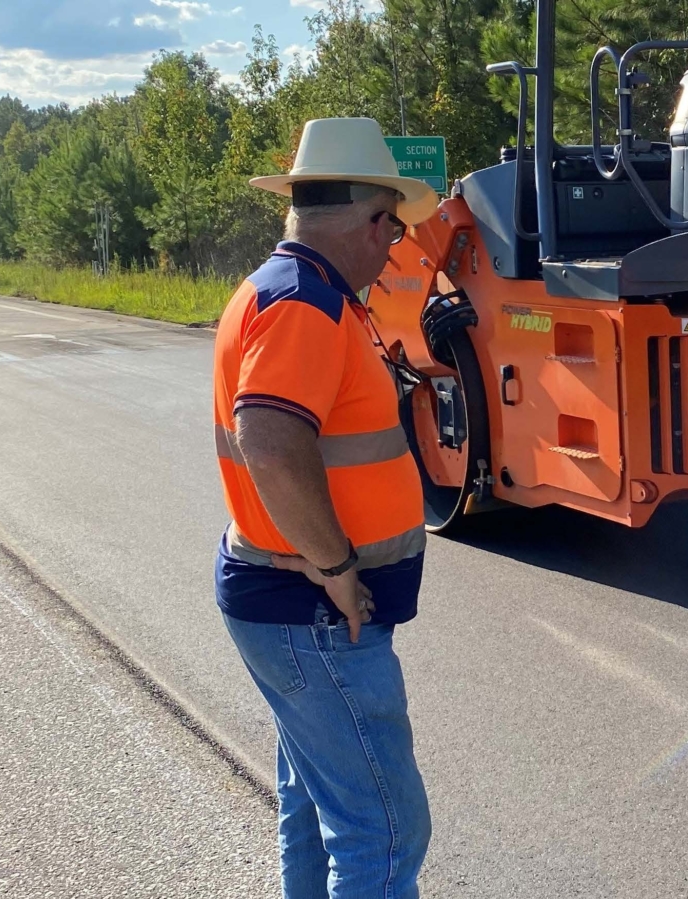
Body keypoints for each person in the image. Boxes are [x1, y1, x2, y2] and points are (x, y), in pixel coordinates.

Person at [212, 116, 449, 898]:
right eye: (392, 231)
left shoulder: (281, 291)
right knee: (382, 826)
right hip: (314, 610)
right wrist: (338, 568)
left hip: (286, 604)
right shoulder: (306, 303)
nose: (392, 250)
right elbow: (272, 443)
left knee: (317, 807)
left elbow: (324, 428)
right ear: (374, 218)